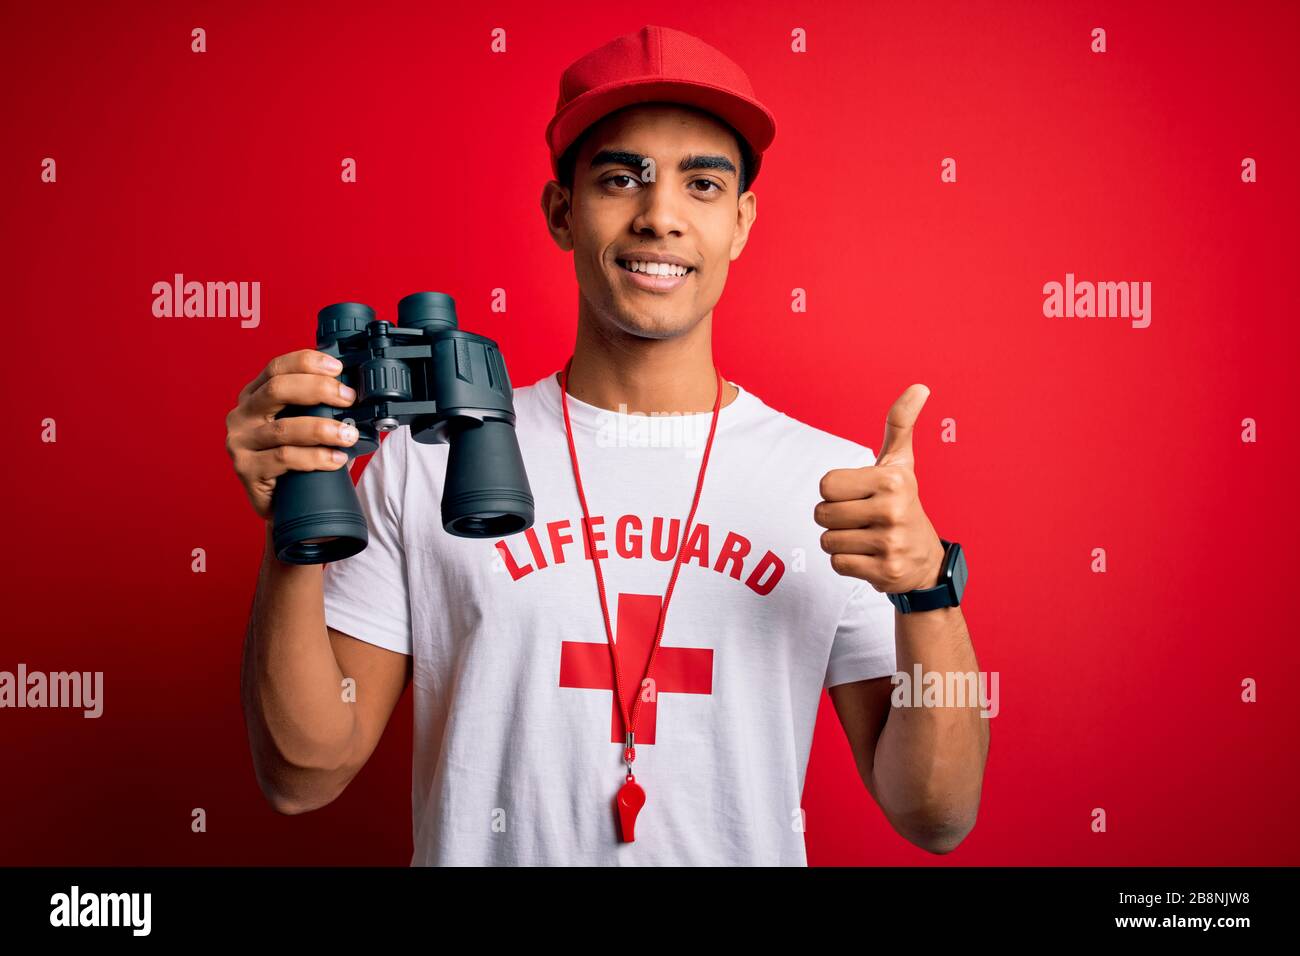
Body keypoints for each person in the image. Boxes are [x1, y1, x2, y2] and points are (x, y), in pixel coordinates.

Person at [227, 24, 988, 866]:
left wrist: (929, 590)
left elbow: (938, 815)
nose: (659, 217)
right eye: (622, 179)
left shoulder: (832, 484)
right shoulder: (426, 458)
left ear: (740, 223)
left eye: (703, 184)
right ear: (562, 212)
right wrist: (296, 516)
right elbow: (302, 775)